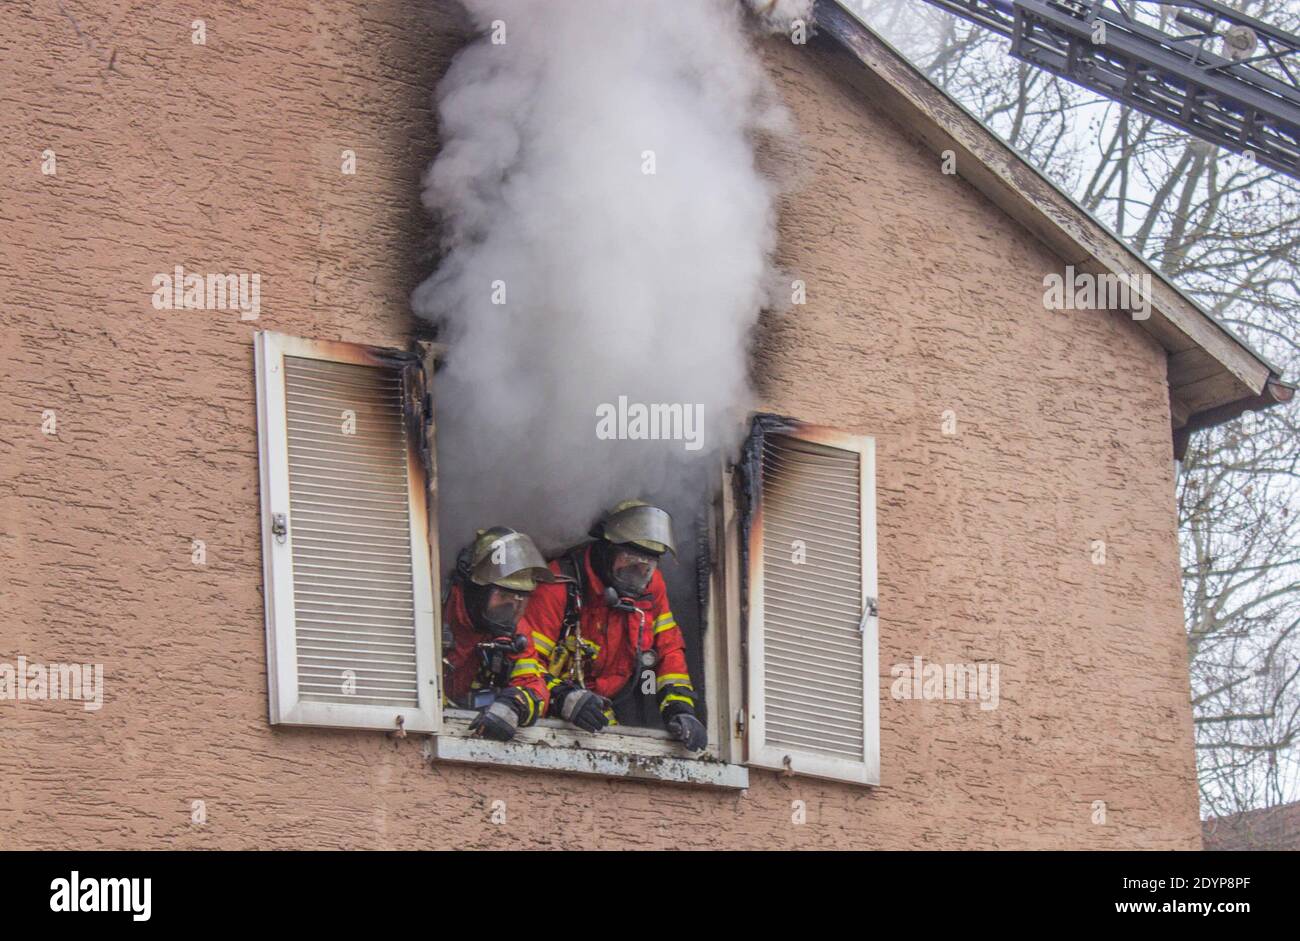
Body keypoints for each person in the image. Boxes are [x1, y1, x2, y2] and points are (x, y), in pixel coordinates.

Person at [526, 500, 707, 751]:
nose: (638, 570)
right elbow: (524, 665)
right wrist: (565, 698)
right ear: (606, 550)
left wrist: (681, 709)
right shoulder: (558, 585)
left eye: (647, 564)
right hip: (544, 721)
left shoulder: (651, 586)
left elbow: (669, 650)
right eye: (630, 557)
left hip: (602, 715)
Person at [442, 526, 555, 742]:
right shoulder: (437, 612)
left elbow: (533, 684)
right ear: (475, 590)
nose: (511, 606)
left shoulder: (515, 631)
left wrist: (516, 704)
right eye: (503, 595)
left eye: (520, 599)